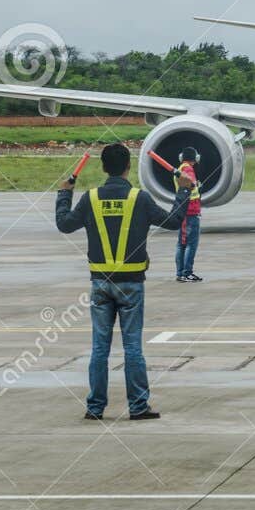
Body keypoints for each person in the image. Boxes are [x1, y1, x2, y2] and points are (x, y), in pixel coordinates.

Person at [56, 143, 189, 421]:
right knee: (133, 348)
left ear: (104, 168)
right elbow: (174, 221)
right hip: (132, 284)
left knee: (99, 349)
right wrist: (183, 190)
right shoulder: (139, 198)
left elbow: (65, 224)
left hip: (100, 284)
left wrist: (64, 194)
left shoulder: (90, 198)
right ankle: (138, 406)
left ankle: (95, 408)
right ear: (128, 168)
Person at [174, 147, 203, 282]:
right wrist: (195, 185)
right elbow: (189, 186)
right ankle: (186, 272)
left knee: (182, 243)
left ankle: (181, 273)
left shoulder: (181, 168)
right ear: (195, 158)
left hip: (184, 210)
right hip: (190, 212)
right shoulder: (188, 169)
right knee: (191, 243)